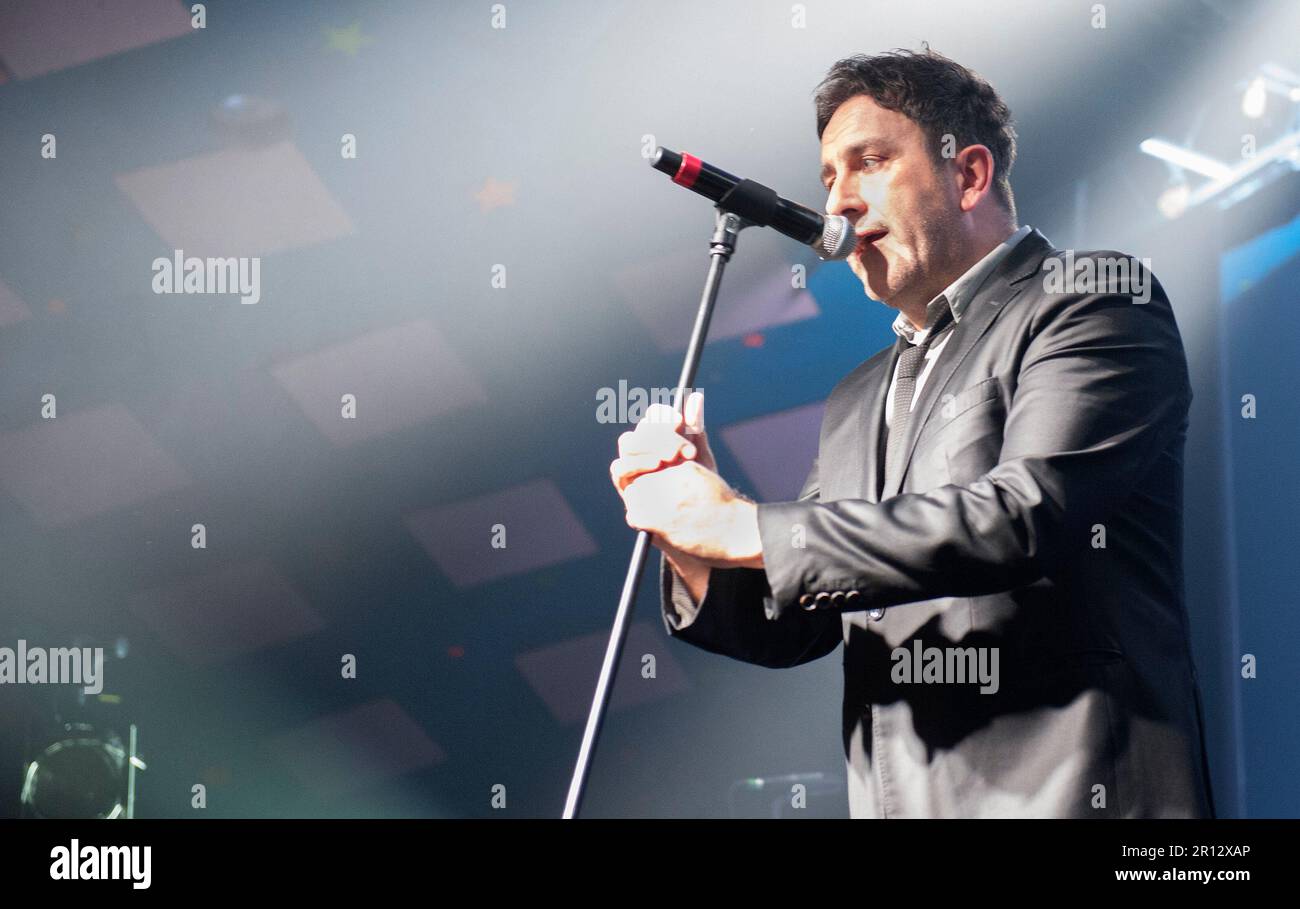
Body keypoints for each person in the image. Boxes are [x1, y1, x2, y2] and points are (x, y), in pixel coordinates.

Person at [609, 48, 1215, 818]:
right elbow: (792, 627)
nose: (840, 205)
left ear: (968, 176)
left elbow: (1024, 515)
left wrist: (742, 524)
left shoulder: (1089, 301)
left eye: (870, 162)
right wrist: (688, 533)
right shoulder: (859, 396)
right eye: (829, 178)